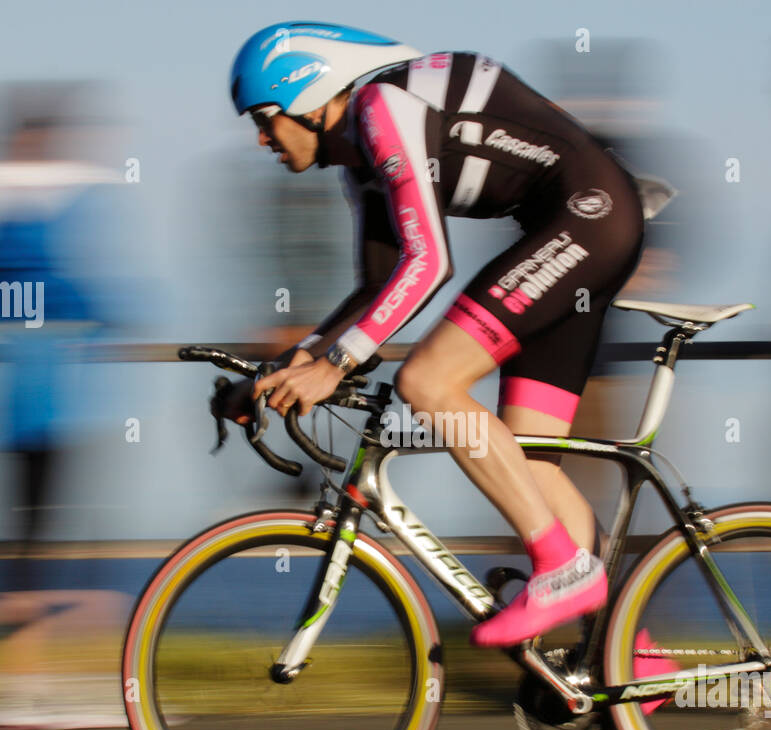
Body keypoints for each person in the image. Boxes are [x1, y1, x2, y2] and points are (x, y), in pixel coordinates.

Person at [225, 22, 647, 648]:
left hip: (586, 219)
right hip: (571, 230)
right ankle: (632, 661)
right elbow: (372, 292)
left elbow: (427, 264)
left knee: (427, 381)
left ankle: (561, 567)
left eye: (264, 118)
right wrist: (281, 369)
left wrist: (336, 364)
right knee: (529, 460)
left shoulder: (380, 111)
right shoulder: (359, 160)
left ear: (309, 99)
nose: (260, 138)